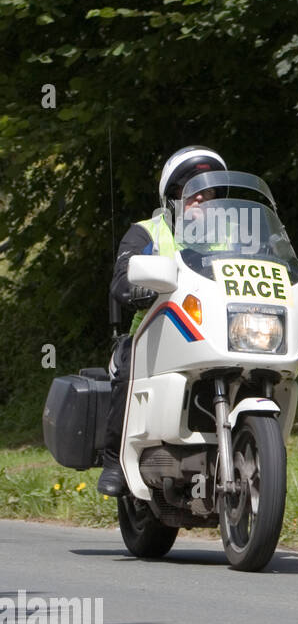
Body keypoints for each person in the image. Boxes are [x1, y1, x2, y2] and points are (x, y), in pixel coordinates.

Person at [97, 146, 225, 496]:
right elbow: (122, 279)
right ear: (174, 198)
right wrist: (138, 289)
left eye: (210, 195)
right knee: (127, 367)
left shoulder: (235, 239)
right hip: (153, 332)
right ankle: (115, 460)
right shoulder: (147, 232)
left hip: (215, 333)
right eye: (194, 195)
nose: (203, 202)